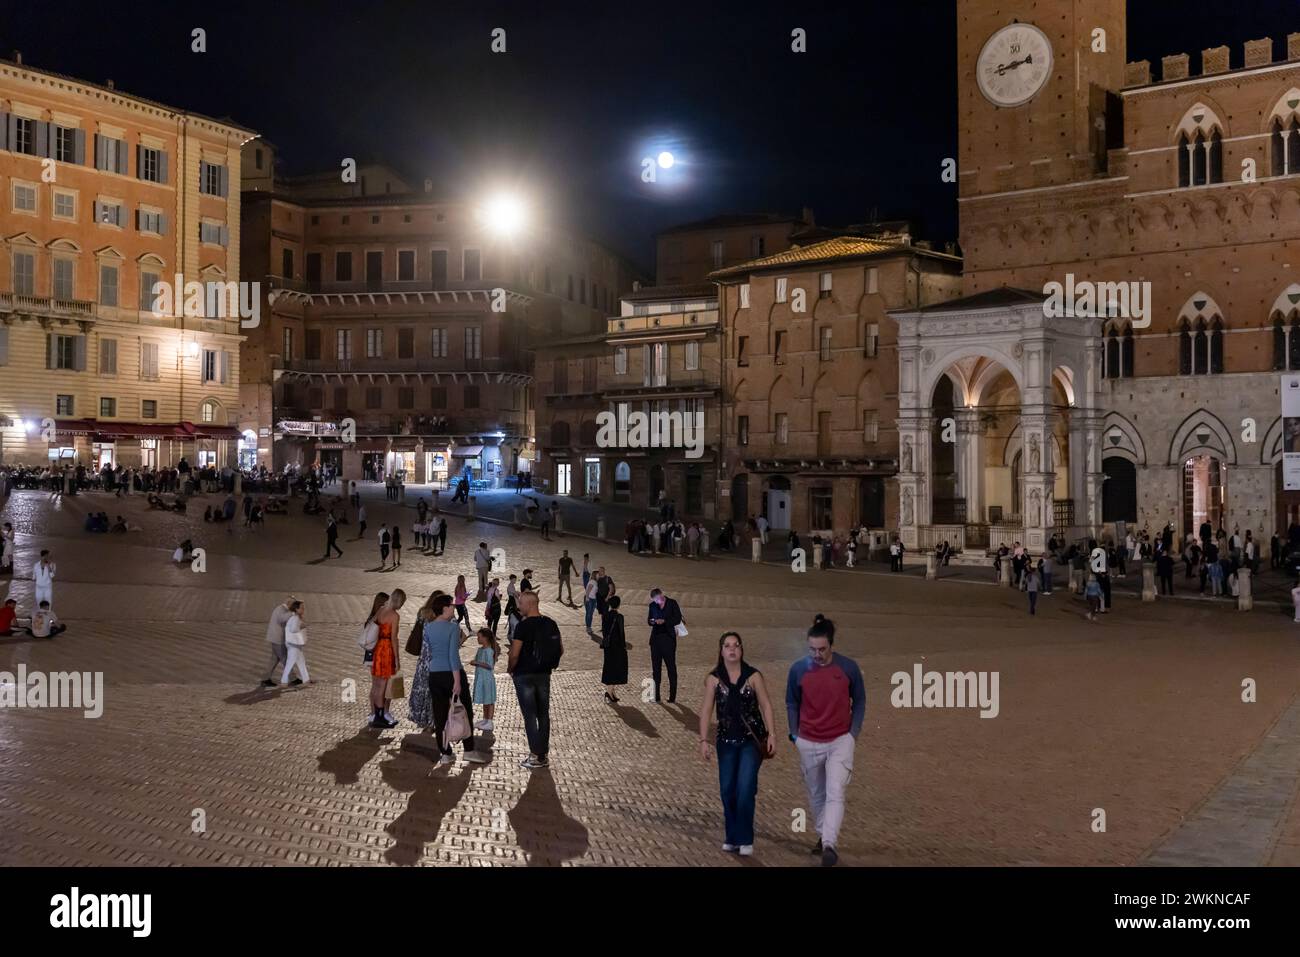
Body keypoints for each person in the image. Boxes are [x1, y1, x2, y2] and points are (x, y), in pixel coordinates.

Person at [785, 615, 865, 868]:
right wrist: (794, 734)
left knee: (835, 791)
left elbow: (860, 700)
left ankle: (829, 843)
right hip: (808, 741)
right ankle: (823, 834)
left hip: (840, 740)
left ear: (831, 645)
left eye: (821, 649)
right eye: (812, 649)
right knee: (816, 794)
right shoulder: (798, 669)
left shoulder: (848, 668)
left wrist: (853, 734)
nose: (817, 654)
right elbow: (791, 702)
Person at [699, 631, 777, 856]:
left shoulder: (754, 676)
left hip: (750, 742)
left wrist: (772, 734)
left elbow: (766, 705)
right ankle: (732, 836)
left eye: (736, 645)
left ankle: (744, 839)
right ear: (721, 651)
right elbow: (706, 710)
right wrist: (703, 740)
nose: (732, 649)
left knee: (745, 788)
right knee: (727, 790)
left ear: (741, 650)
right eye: (727, 646)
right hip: (725, 742)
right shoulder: (713, 679)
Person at [419, 595, 487, 764]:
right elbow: (453, 656)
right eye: (451, 605)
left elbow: (429, 652)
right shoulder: (453, 627)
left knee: (440, 714)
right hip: (452, 674)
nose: (454, 607)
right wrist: (457, 681)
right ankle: (468, 750)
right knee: (465, 711)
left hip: (435, 674)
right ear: (444, 608)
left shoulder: (428, 627)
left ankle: (445, 753)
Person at [508, 591, 562, 770]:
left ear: (530, 604)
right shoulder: (550, 623)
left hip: (524, 675)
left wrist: (511, 668)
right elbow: (561, 649)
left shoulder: (522, 626)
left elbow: (514, 654)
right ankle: (543, 754)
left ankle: (535, 755)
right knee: (543, 714)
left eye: (521, 603)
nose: (519, 607)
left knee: (530, 716)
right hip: (544, 674)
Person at [370, 589, 406, 728]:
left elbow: (373, 624)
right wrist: (397, 659)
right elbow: (394, 639)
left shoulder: (381, 610)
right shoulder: (394, 616)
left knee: (376, 685)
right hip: (386, 650)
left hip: (378, 648)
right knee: (382, 687)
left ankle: (376, 715)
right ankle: (379, 717)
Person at [647, 587, 685, 704]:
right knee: (656, 669)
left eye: (657, 599)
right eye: (654, 600)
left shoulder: (672, 603)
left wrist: (665, 621)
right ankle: (656, 695)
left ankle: (672, 696)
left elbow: (677, 618)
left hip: (668, 640)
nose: (656, 602)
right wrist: (653, 621)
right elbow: (649, 620)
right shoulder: (652, 605)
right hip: (655, 641)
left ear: (661, 595)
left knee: (671, 668)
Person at [600, 595, 629, 703]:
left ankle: (611, 692)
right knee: (616, 668)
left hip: (607, 646)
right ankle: (609, 692)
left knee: (609, 667)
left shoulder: (605, 616)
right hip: (617, 647)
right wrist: (623, 646)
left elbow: (604, 631)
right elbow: (621, 633)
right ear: (618, 605)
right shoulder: (619, 617)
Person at [261, 596, 295, 687]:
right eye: (293, 606)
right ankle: (293, 678)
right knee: (285, 659)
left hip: (275, 638)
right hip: (277, 639)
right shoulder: (282, 610)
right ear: (289, 604)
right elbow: (282, 619)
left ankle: (265, 679)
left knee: (274, 659)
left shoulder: (280, 608)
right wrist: (292, 613)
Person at [472, 628, 500, 732]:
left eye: (479, 637)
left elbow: (490, 665)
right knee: (485, 699)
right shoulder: (480, 650)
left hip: (487, 679)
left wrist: (477, 663)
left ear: (486, 638)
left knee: (489, 700)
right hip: (481, 678)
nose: (477, 639)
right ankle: (485, 719)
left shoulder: (489, 651)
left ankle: (489, 721)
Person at [281, 600, 312, 685]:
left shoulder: (296, 617)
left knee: (301, 662)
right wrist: (302, 626)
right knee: (290, 662)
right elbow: (293, 629)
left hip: (295, 644)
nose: (303, 609)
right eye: (301, 608)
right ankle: (284, 681)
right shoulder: (295, 618)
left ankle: (306, 679)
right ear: (296, 609)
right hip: (293, 644)